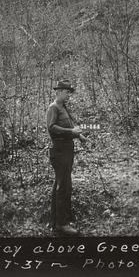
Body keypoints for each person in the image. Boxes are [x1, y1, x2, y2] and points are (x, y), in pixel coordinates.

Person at [47, 80, 88, 236]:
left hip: (67, 149)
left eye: (69, 92)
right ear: (58, 92)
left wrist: (79, 135)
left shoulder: (64, 108)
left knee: (63, 184)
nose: (68, 95)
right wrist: (72, 132)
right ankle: (61, 224)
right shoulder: (53, 108)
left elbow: (70, 128)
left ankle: (58, 218)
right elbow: (52, 128)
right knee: (62, 186)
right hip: (59, 150)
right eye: (66, 92)